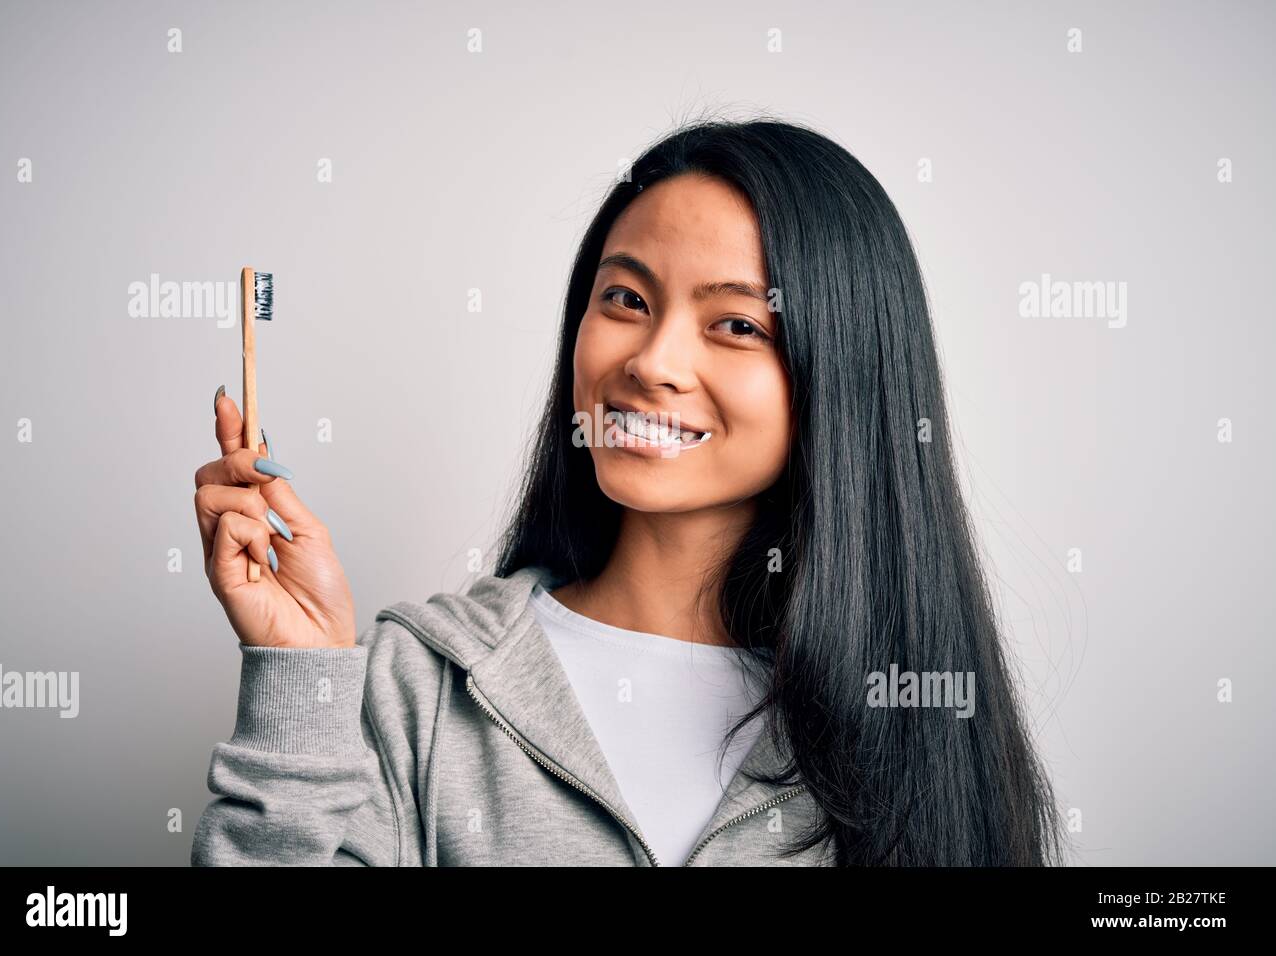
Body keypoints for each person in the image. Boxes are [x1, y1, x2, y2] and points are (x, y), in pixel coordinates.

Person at [190, 115, 1068, 866]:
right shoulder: (417, 684)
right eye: (625, 299)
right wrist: (299, 682)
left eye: (735, 323)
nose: (651, 363)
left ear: (844, 372)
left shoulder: (914, 715)